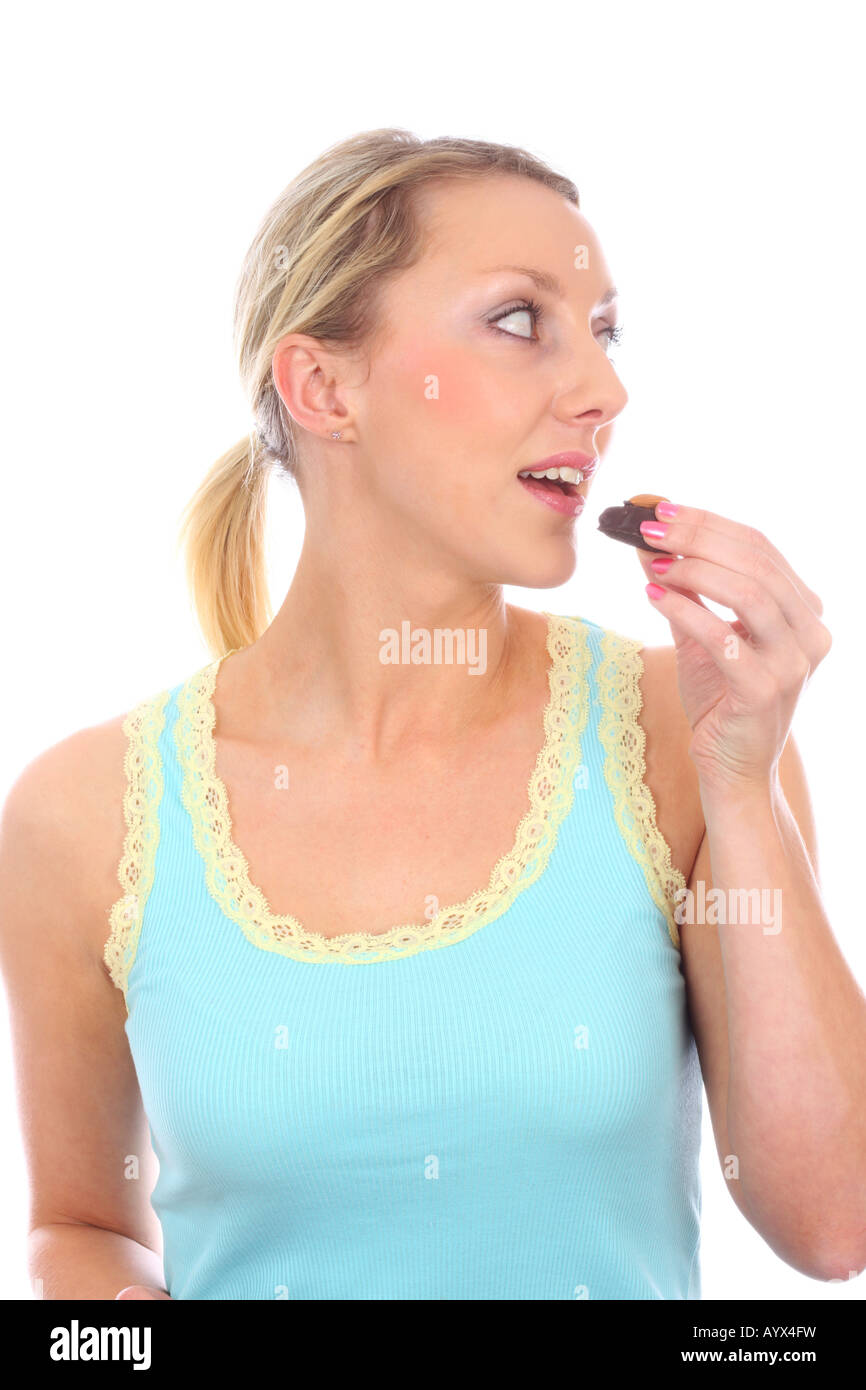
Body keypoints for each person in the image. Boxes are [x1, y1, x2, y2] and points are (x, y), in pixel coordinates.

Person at [2, 129, 863, 1302]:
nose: (605, 392)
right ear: (325, 389)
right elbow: (75, 1226)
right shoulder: (80, 814)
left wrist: (744, 786)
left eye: (601, 330)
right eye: (518, 319)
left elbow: (833, 1225)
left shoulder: (686, 735)